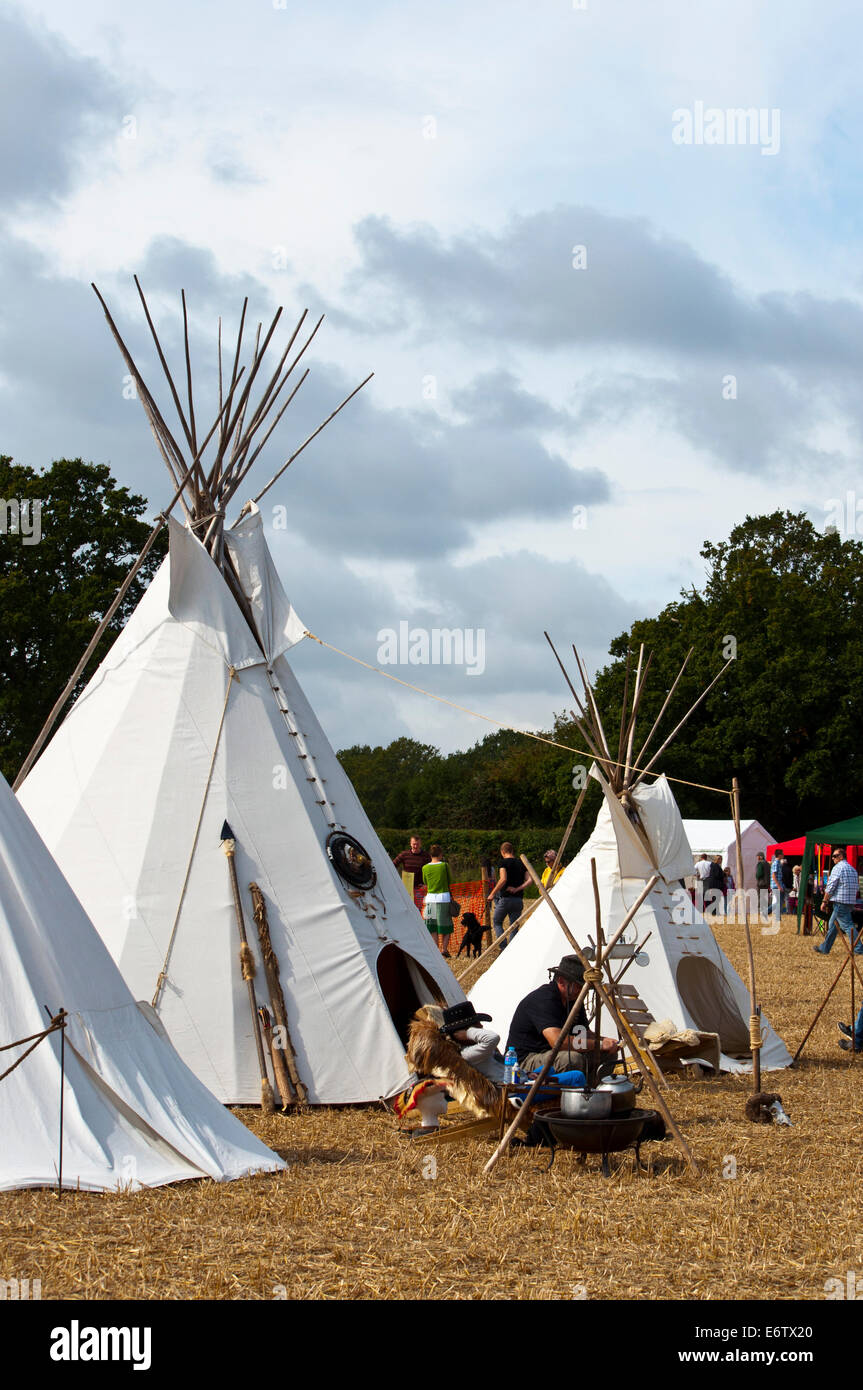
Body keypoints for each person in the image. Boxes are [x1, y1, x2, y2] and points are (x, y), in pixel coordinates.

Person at [506, 954, 618, 1079]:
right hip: (524, 1061)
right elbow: (558, 1042)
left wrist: (606, 1042)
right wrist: (599, 1044)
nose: (581, 991)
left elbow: (583, 1034)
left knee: (607, 1054)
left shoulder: (574, 1000)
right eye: (578, 986)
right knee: (572, 1059)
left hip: (552, 1054)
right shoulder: (543, 999)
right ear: (561, 981)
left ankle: (591, 1089)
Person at [814, 847, 863, 956]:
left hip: (840, 902)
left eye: (834, 856)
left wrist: (824, 901)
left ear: (841, 857)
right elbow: (856, 887)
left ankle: (859, 948)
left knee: (847, 925)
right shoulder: (852, 869)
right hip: (849, 902)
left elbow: (831, 887)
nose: (832, 858)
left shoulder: (838, 868)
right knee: (833, 925)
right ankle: (824, 948)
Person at [487, 842, 530, 949]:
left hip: (505, 899)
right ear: (512, 851)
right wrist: (517, 889)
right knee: (514, 925)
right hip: (518, 900)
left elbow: (503, 879)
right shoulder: (521, 863)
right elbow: (530, 880)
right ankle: (511, 950)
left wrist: (492, 893)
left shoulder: (503, 863)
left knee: (497, 922)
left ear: (502, 852)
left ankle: (503, 947)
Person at [421, 844, 454, 958]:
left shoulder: (425, 868)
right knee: (446, 926)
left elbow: (425, 882)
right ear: (440, 854)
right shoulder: (444, 865)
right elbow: (450, 880)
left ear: (430, 855)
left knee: (432, 927)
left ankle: (436, 951)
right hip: (443, 898)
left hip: (430, 899)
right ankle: (444, 949)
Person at [393, 834, 431, 908]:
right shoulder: (404, 854)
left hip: (420, 888)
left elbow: (430, 871)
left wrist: (427, 884)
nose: (415, 846)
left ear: (420, 844)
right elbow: (393, 865)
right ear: (410, 844)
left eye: (417, 844)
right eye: (414, 844)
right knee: (407, 908)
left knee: (419, 908)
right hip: (407, 887)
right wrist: (396, 880)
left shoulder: (426, 856)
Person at [755, 852, 770, 916]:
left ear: (760, 856)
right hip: (766, 883)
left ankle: (761, 911)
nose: (757, 858)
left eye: (758, 856)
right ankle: (766, 911)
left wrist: (757, 876)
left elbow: (759, 874)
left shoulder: (761, 863)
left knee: (761, 897)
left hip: (761, 883)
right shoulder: (767, 863)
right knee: (765, 898)